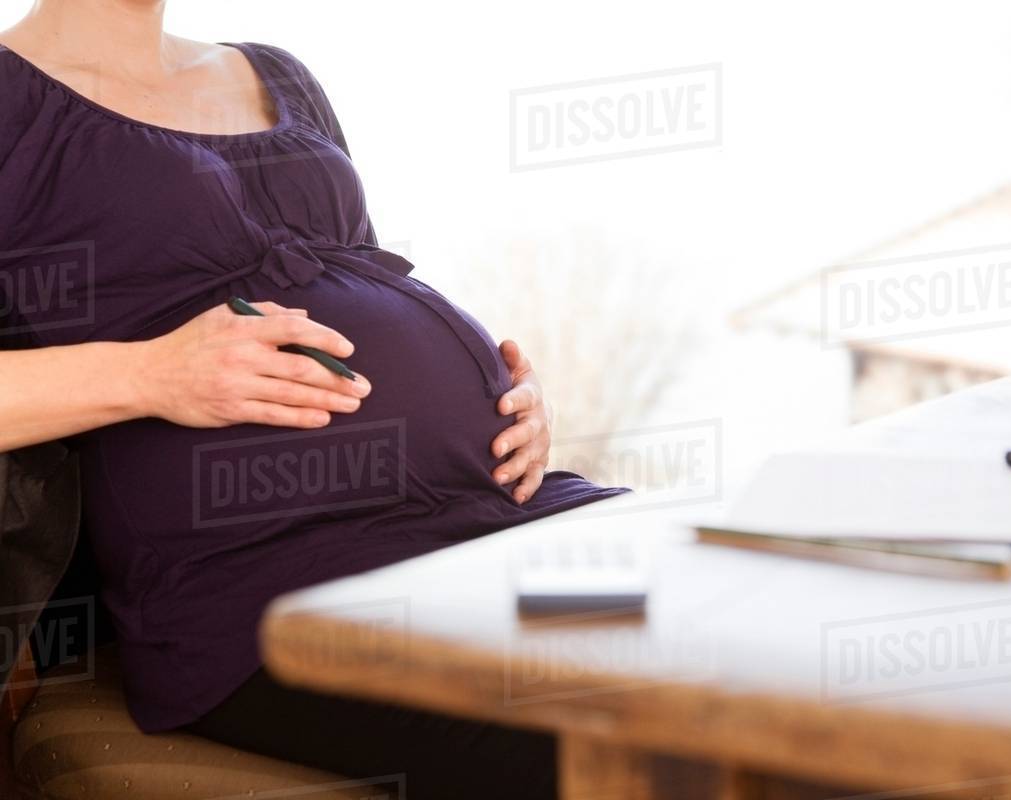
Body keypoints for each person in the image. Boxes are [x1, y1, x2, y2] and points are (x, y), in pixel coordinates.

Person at [0, 1, 626, 796]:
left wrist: (503, 392)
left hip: (494, 512)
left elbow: (361, 282)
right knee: (647, 725)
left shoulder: (278, 74)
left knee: (764, 634)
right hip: (282, 579)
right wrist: (151, 373)